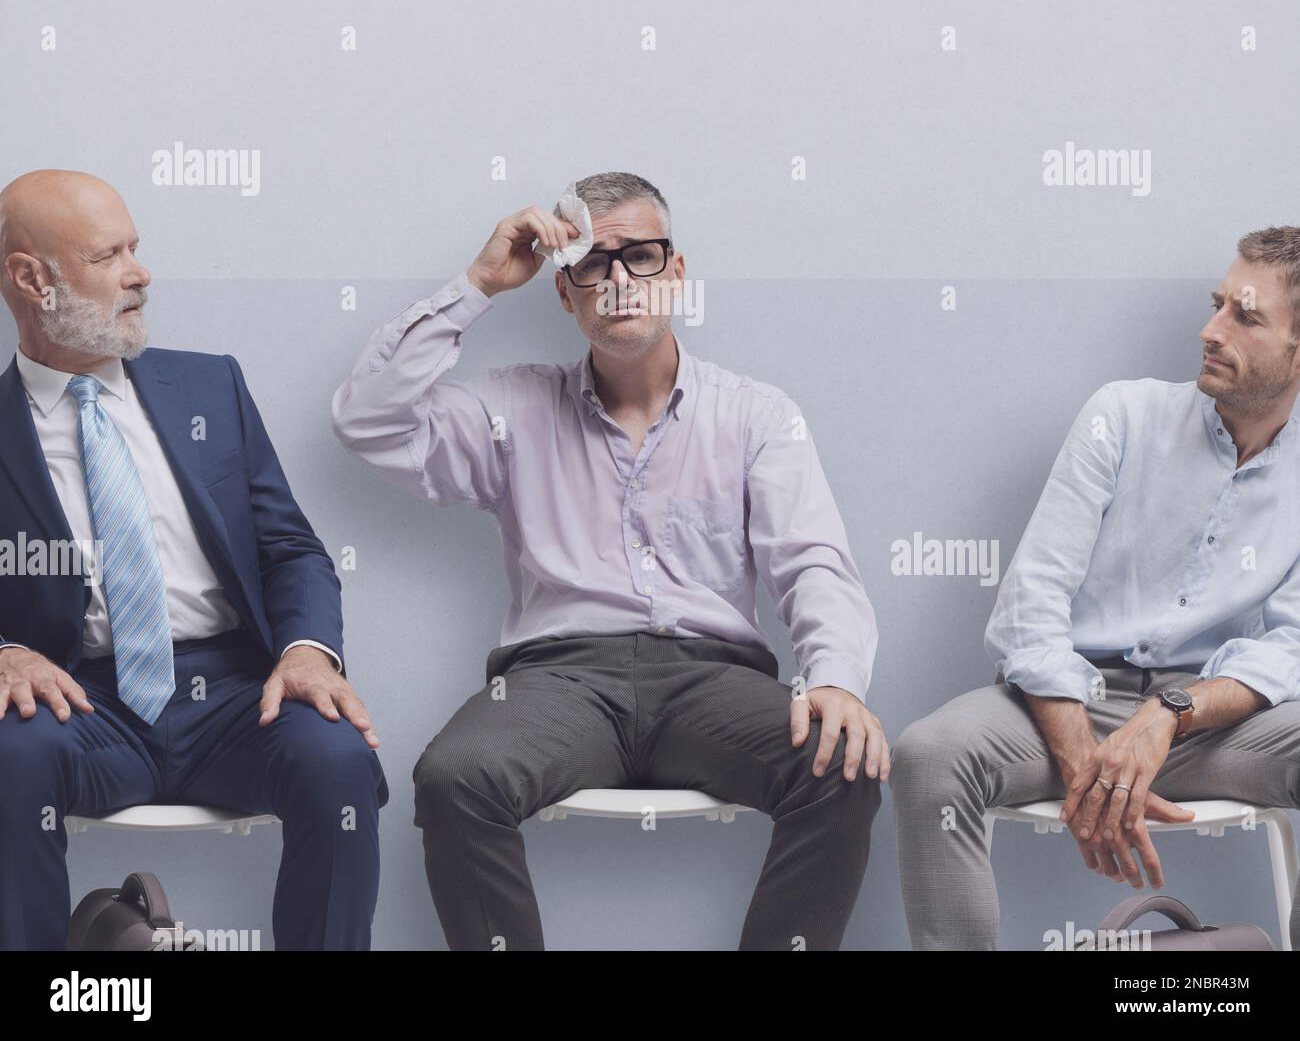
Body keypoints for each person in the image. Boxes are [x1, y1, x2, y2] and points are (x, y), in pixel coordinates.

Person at [331, 171, 884, 950]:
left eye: (643, 257)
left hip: (712, 679)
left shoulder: (757, 415)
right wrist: (479, 284)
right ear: (566, 293)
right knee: (457, 777)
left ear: (678, 273)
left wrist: (832, 679)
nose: (620, 280)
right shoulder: (511, 409)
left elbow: (813, 564)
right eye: (594, 263)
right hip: (556, 680)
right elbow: (366, 420)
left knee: (842, 764)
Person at [0, 169, 387, 950]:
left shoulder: (210, 386)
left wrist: (310, 653)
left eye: (136, 248)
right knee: (9, 757)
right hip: (85, 703)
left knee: (338, 757)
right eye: (110, 255)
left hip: (235, 698)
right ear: (31, 279)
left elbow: (290, 548)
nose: (140, 273)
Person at [892, 227, 1300, 950]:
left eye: (1245, 316)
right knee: (931, 753)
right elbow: (1030, 609)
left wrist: (1169, 713)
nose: (1210, 331)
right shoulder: (1122, 415)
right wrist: (1087, 765)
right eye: (1216, 306)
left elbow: (1291, 647)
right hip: (1066, 706)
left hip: (1211, 726)